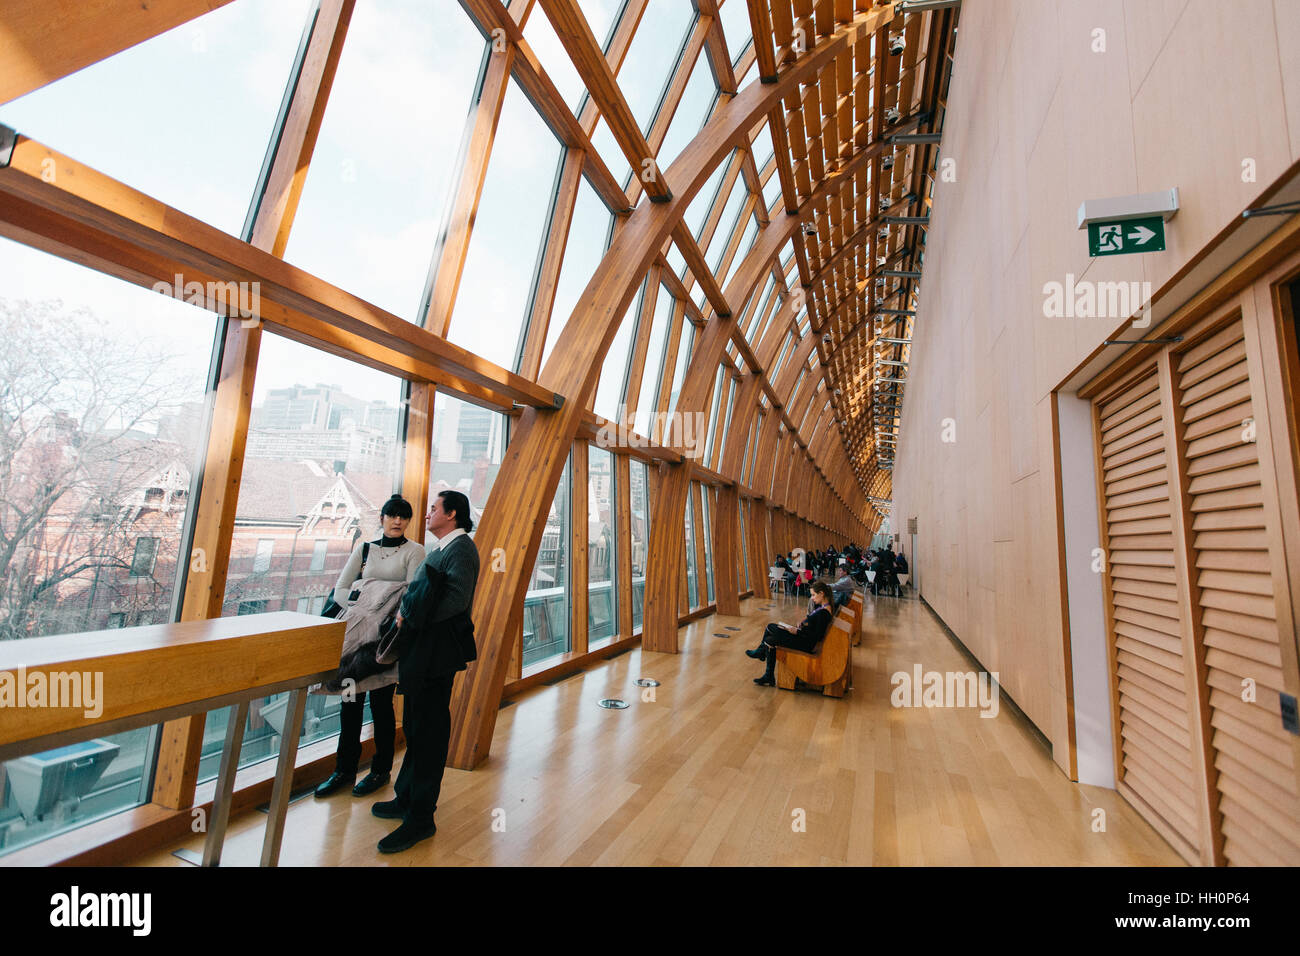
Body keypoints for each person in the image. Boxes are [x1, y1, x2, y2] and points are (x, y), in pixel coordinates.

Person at [371, 490, 480, 854]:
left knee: (429, 733)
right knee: (417, 728)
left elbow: (455, 600)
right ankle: (406, 798)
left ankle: (421, 818)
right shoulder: (442, 548)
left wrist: (409, 616)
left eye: (435, 508)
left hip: (437, 653)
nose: (429, 512)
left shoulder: (461, 548)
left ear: (451, 514)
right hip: (424, 652)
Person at [315, 494, 426, 799]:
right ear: (382, 518)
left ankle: (380, 770)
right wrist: (360, 607)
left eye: (403, 516)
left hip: (385, 641)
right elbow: (340, 587)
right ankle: (344, 770)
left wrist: (381, 614)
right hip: (355, 638)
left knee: (381, 707)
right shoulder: (364, 550)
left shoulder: (415, 552)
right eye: (392, 515)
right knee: (348, 705)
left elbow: (412, 594)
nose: (397, 521)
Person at [745, 581, 835, 686]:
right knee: (770, 641)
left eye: (813, 595)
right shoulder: (824, 609)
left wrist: (798, 631)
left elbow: (816, 635)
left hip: (805, 643)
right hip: (804, 639)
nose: (812, 598)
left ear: (821, 593)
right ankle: (768, 675)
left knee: (771, 627)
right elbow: (814, 629)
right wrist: (802, 625)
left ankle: (761, 653)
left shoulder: (823, 613)